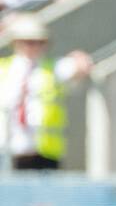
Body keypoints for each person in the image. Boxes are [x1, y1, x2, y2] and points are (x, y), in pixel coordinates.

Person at [0, 14, 92, 168]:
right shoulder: (4, 69)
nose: (34, 47)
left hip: (44, 153)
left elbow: (80, 64)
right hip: (8, 150)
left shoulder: (54, 68)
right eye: (29, 42)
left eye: (39, 42)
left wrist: (79, 58)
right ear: (16, 42)